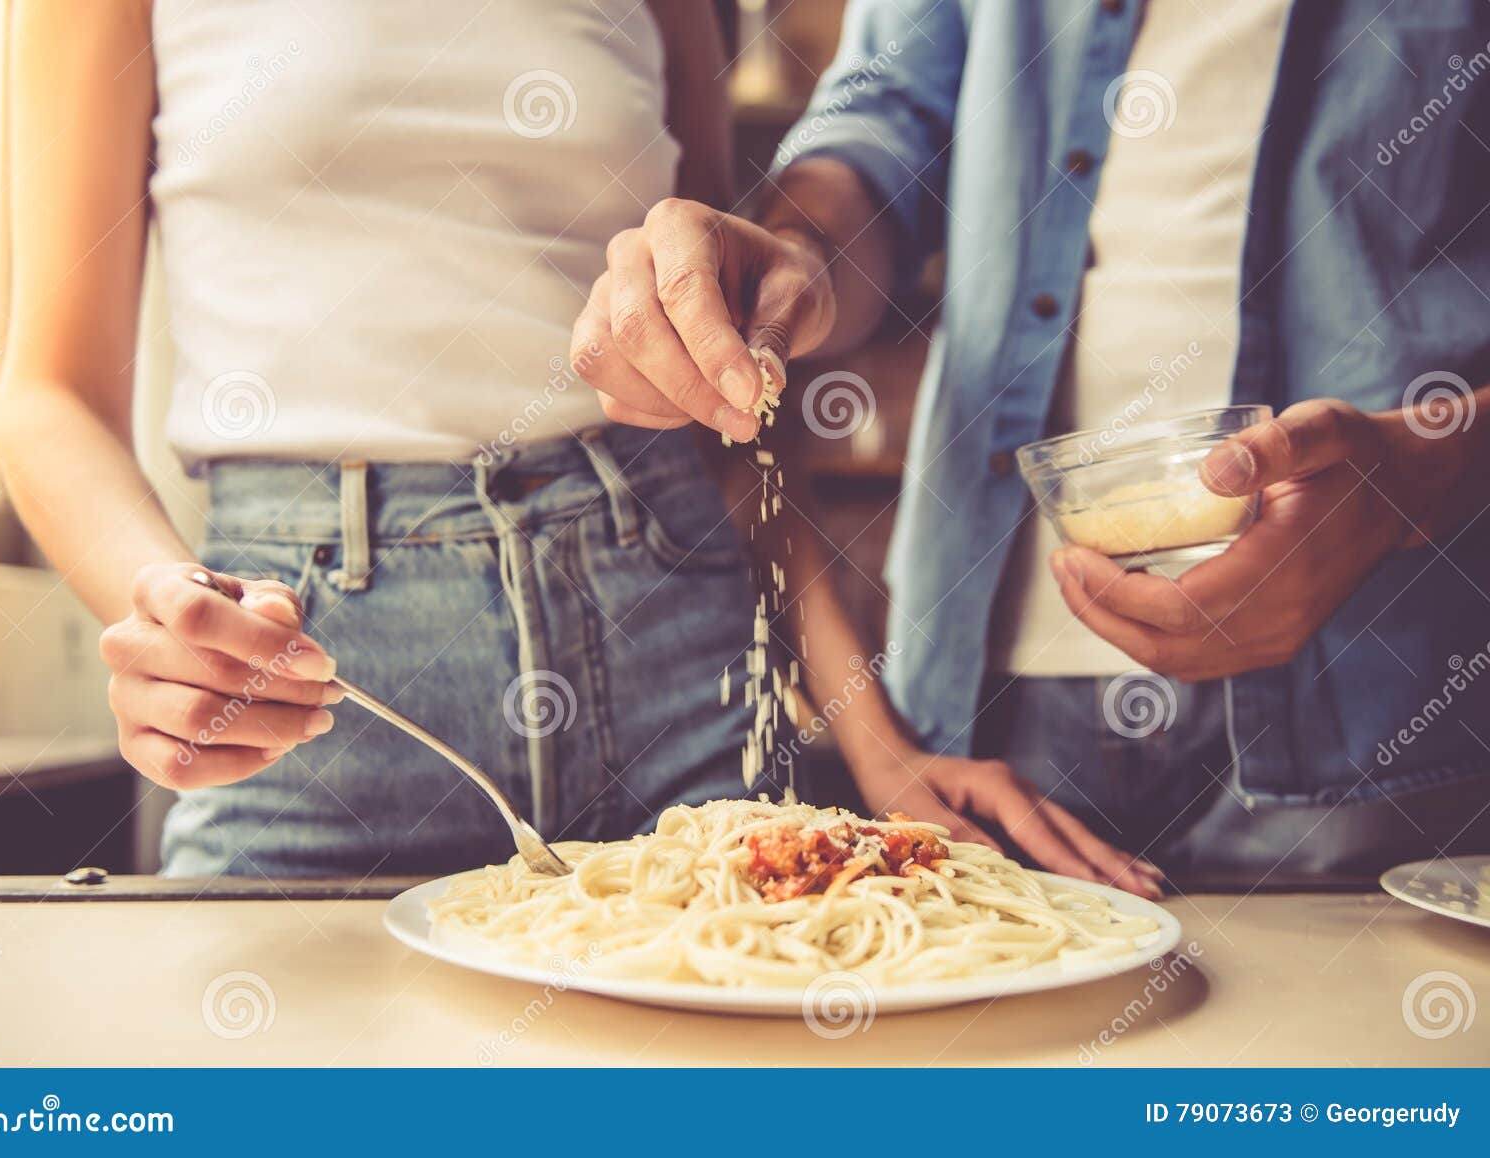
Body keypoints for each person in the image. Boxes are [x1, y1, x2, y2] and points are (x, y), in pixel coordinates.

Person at [574, 0, 1490, 882]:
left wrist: (1423, 473)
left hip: (1387, 685)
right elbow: (881, 128)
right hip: (983, 695)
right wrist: (799, 252)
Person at [0, 0, 769, 877]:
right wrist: (177, 619)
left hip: (676, 626)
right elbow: (50, 396)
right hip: (310, 669)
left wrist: (868, 726)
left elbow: (730, 358)